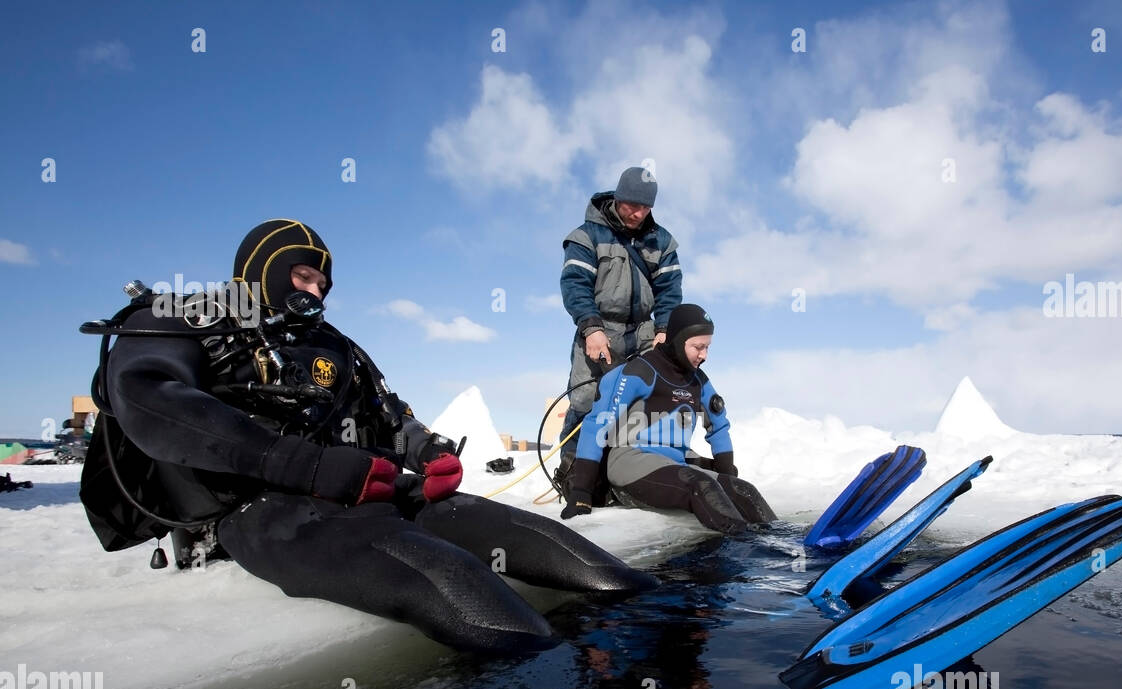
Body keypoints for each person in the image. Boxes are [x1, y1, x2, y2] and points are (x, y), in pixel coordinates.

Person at [80, 219, 656, 654]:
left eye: (324, 281)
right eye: (303, 276)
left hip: (362, 489)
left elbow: (388, 416)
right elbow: (150, 400)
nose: (317, 291)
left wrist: (428, 451)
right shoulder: (185, 319)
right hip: (258, 510)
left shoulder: (336, 348)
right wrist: (303, 466)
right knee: (459, 587)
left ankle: (650, 626)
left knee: (564, 552)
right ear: (260, 272)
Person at [559, 304, 775, 534]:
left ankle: (781, 541)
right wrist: (581, 491)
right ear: (678, 340)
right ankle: (745, 553)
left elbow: (719, 426)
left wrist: (728, 481)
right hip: (631, 462)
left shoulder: (698, 381)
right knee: (701, 485)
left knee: (745, 491)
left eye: (707, 347)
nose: (704, 355)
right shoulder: (641, 371)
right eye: (698, 347)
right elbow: (597, 425)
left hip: (674, 465)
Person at [554, 167, 683, 489]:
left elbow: (670, 291)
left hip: (643, 332)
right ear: (617, 197)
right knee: (585, 401)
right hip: (599, 327)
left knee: (643, 402)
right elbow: (575, 285)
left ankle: (627, 470)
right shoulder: (586, 236)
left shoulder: (662, 241)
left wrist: (664, 329)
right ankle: (572, 473)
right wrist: (590, 327)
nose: (637, 213)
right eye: (631, 205)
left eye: (645, 207)